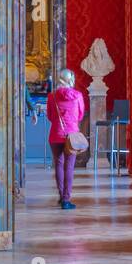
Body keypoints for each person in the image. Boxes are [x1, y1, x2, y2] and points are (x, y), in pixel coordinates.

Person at [46, 69, 86, 210]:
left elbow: (50, 116)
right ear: (71, 80)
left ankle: (61, 195)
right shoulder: (78, 96)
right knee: (69, 166)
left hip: (56, 134)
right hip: (72, 136)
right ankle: (66, 199)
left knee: (58, 164)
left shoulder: (52, 97)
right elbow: (81, 115)